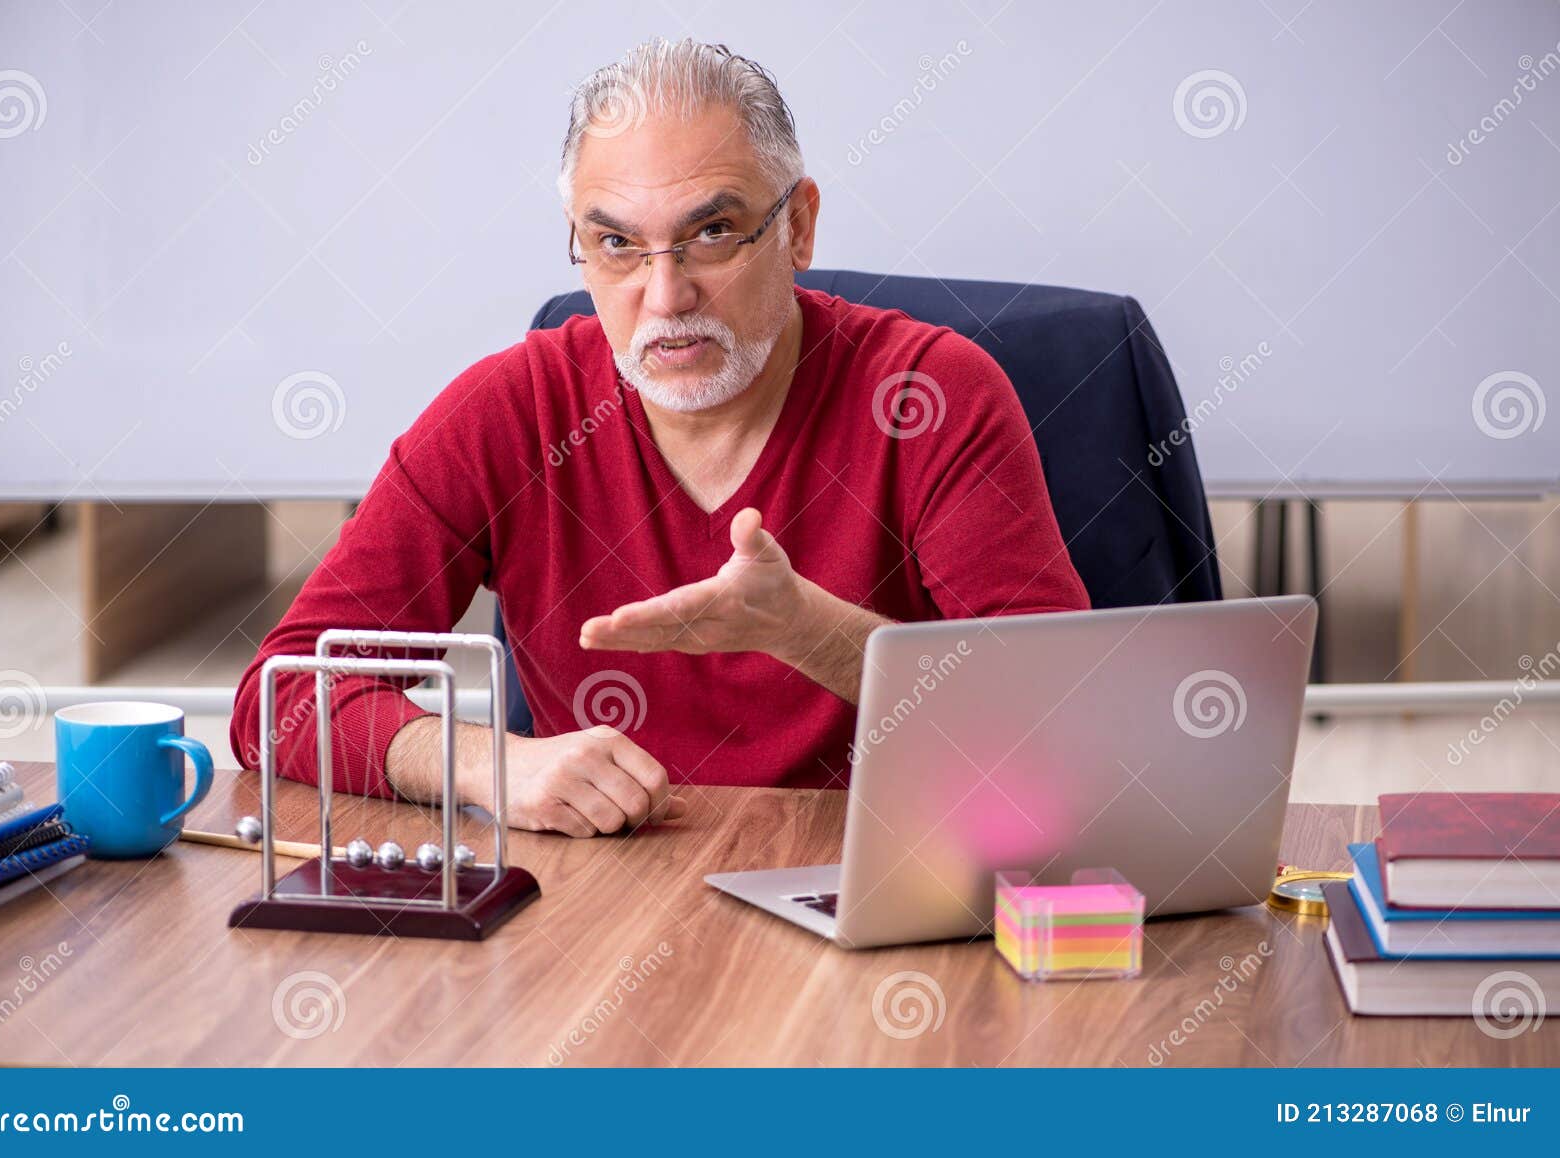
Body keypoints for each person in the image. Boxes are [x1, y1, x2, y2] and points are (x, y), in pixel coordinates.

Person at [230, 37, 1089, 838]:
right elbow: (278, 701)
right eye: (617, 245)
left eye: (711, 234)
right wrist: (487, 762)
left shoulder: (932, 395)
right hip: (599, 916)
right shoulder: (511, 410)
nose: (666, 296)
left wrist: (802, 629)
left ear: (797, 228)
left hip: (876, 886)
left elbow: (1060, 726)